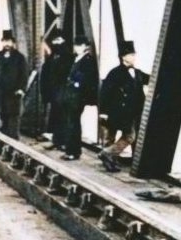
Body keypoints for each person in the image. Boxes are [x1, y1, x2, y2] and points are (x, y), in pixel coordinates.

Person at [98, 41, 150, 172]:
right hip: (117, 111)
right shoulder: (115, 73)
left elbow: (151, 79)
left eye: (134, 54)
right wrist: (103, 111)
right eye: (131, 54)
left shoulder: (137, 73)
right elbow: (104, 92)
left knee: (123, 135)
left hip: (131, 112)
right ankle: (108, 155)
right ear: (123, 57)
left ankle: (109, 157)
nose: (133, 57)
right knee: (127, 136)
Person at [60, 36, 98, 161]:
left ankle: (72, 151)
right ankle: (74, 150)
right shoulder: (77, 59)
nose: (76, 48)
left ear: (85, 46)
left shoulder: (87, 60)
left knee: (72, 123)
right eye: (76, 45)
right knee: (72, 123)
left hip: (77, 97)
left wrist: (76, 84)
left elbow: (86, 79)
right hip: (71, 96)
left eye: (79, 45)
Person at [0, 30, 29, 139]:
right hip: (1, 93)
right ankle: (4, 143)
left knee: (14, 119)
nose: (7, 44)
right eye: (5, 41)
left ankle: (14, 143)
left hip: (14, 93)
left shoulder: (19, 57)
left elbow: (24, 75)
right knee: (3, 118)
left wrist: (21, 89)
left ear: (13, 43)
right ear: (2, 42)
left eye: (9, 41)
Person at [39, 32, 71, 148]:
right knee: (57, 117)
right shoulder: (52, 57)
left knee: (63, 118)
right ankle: (57, 141)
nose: (56, 43)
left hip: (63, 94)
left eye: (59, 41)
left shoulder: (68, 57)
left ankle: (63, 142)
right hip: (54, 94)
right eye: (55, 41)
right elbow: (45, 75)